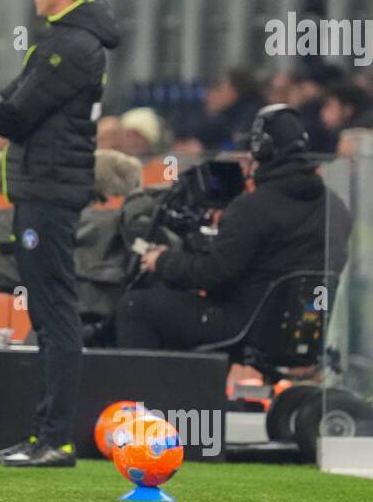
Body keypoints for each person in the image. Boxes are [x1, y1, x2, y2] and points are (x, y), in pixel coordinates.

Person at [0, 0, 120, 468]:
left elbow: (11, 113)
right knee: (46, 311)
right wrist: (0, 107)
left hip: (50, 196)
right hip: (42, 191)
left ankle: (55, 438)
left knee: (56, 313)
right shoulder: (65, 42)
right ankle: (42, 434)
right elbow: (10, 106)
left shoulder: (72, 47)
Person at [116, 104, 352, 351]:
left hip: (247, 325)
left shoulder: (254, 207)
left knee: (136, 307)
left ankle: (145, 390)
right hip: (304, 328)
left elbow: (210, 275)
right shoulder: (334, 206)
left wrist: (163, 260)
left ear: (261, 150)